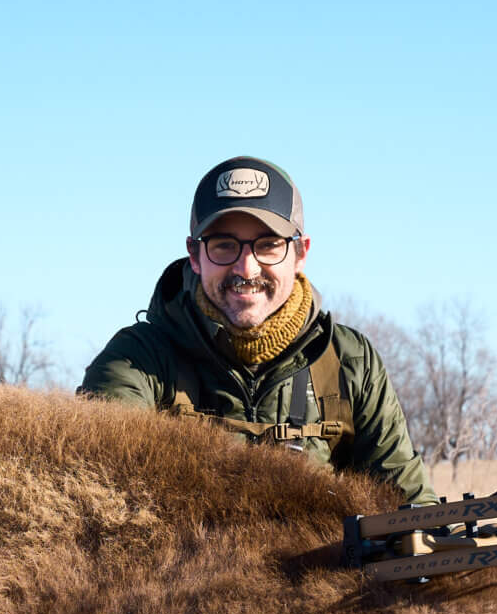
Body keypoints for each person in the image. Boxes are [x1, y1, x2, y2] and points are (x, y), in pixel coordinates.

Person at [80, 157, 431, 504]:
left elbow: (409, 507)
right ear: (195, 255)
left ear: (300, 253)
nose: (246, 268)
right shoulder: (136, 360)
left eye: (268, 245)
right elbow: (102, 497)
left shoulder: (351, 361)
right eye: (223, 245)